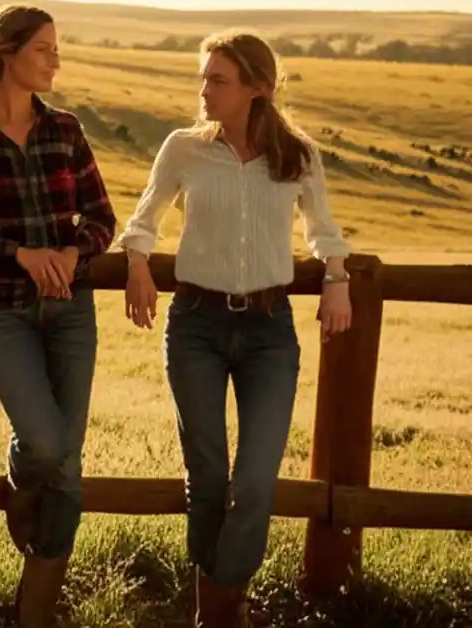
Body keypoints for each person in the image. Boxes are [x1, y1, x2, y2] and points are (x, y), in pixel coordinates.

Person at [118, 30, 353, 628]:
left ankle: (217, 607)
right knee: (206, 476)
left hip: (271, 332)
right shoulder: (183, 148)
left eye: (217, 80)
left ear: (257, 87)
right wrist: (138, 263)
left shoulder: (296, 153)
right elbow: (145, 217)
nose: (204, 91)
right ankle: (221, 614)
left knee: (253, 484)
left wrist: (337, 276)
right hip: (196, 324)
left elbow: (322, 228)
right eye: (203, 78)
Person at [0, 4, 116, 627]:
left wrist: (69, 248)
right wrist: (18, 254)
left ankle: (34, 614)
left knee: (67, 464)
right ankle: (19, 483)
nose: (56, 60)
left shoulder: (65, 129)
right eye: (44, 49)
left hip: (70, 311)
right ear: (6, 53)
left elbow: (101, 219)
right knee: (47, 444)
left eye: (57, 49)